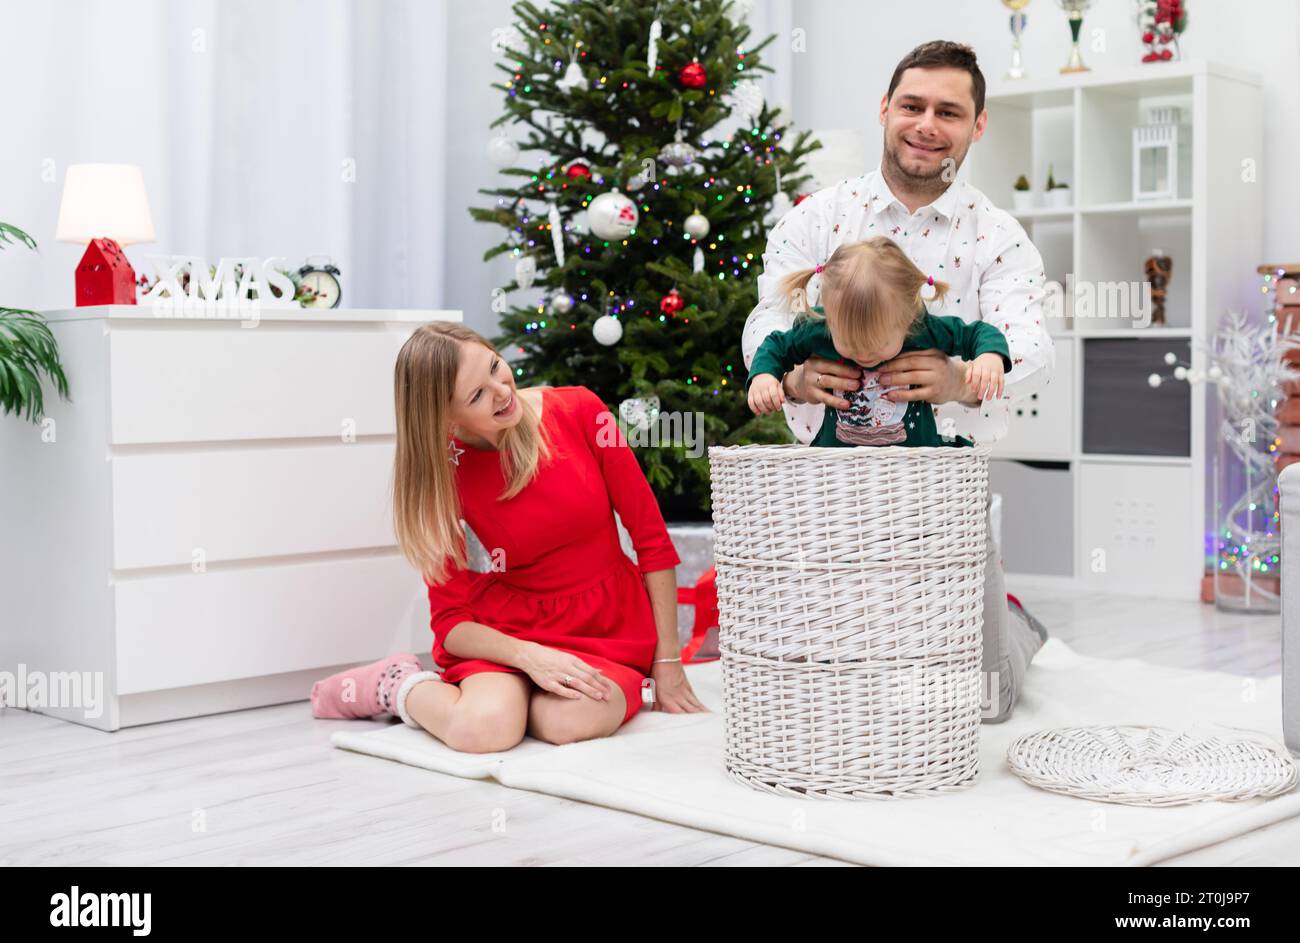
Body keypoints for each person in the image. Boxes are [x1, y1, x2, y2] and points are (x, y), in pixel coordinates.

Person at [742, 40, 1052, 721]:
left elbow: (1031, 345)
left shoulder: (998, 236)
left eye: (949, 111)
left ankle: (1018, 626)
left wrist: (959, 380)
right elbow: (766, 320)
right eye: (912, 105)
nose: (926, 124)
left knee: (983, 702)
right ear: (885, 110)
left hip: (945, 497)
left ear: (977, 126)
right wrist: (791, 381)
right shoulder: (818, 217)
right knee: (829, 685)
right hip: (831, 490)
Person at [310, 321, 706, 752]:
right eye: (477, 395)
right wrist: (530, 658)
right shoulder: (443, 473)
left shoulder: (581, 410)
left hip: (609, 627)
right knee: (484, 730)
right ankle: (397, 684)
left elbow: (651, 540)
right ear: (443, 416)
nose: (502, 391)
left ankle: (518, 699)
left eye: (496, 367)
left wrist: (667, 662)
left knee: (569, 720)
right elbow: (451, 621)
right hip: (512, 633)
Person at [747, 236, 1010, 445]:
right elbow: (776, 345)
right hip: (836, 469)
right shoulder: (818, 329)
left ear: (907, 320)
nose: (863, 355)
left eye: (877, 345)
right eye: (848, 344)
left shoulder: (921, 329)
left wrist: (989, 356)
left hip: (918, 469)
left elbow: (977, 333)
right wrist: (765, 377)